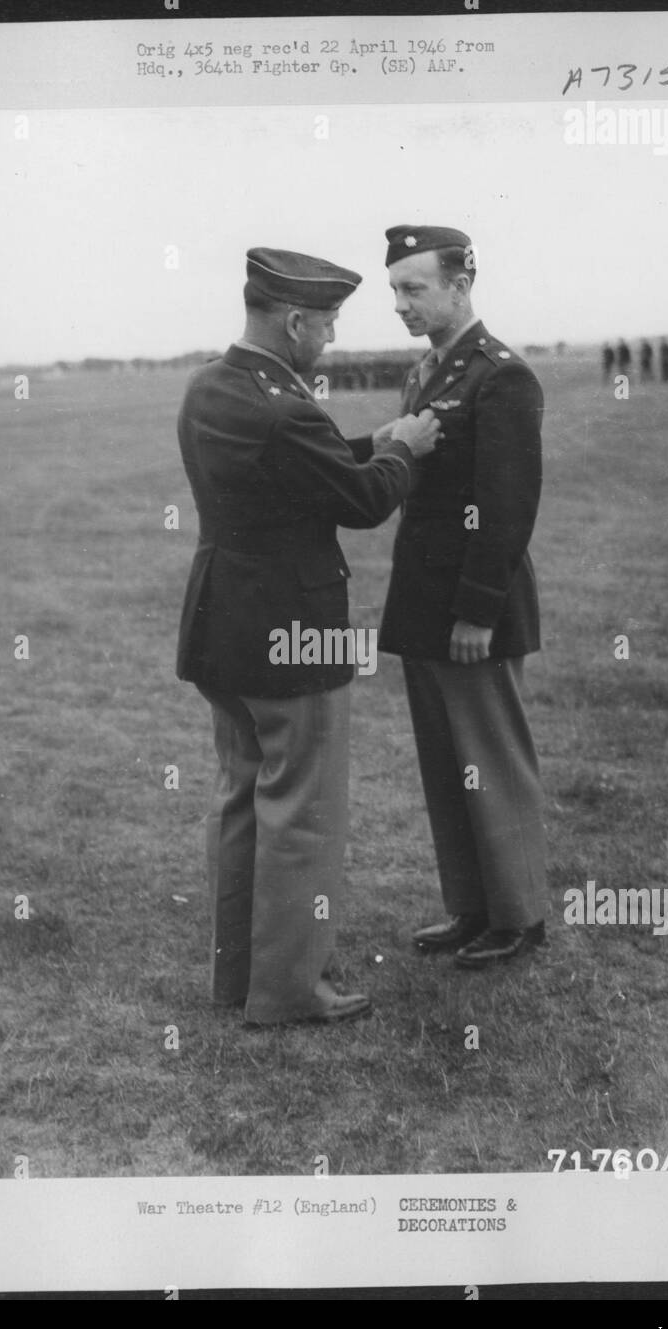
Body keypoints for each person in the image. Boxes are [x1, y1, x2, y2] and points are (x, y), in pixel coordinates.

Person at [176, 247, 440, 1026]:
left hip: (224, 628)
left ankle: (239, 978)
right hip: (293, 636)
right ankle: (292, 990)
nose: (330, 336)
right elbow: (360, 501)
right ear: (293, 320)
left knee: (242, 803)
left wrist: (370, 438)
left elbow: (296, 470)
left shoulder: (213, 387)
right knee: (302, 814)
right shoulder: (285, 405)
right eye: (325, 322)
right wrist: (403, 450)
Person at [371, 224, 547, 967]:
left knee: (491, 758)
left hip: (473, 609)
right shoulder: (428, 373)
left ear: (461, 283)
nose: (402, 305)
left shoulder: (499, 375)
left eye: (415, 288)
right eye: (395, 292)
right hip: (422, 603)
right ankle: (471, 908)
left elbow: (507, 506)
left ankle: (519, 917)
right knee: (448, 764)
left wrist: (478, 609)